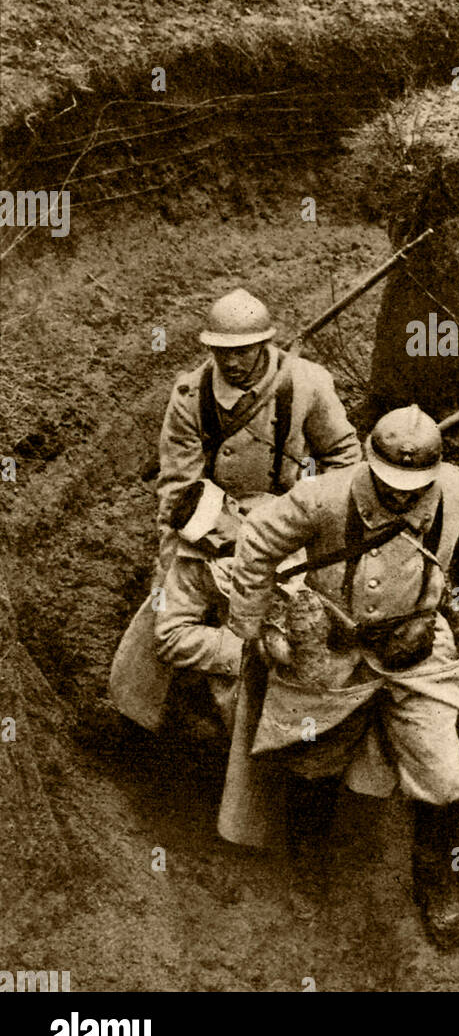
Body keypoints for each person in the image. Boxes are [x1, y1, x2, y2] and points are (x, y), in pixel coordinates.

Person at [220, 404, 459, 950]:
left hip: (418, 650)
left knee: (445, 776)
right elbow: (258, 539)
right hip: (336, 648)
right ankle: (309, 866)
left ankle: (439, 885)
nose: (401, 496)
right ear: (369, 466)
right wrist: (254, 624)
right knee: (314, 756)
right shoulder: (324, 497)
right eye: (388, 484)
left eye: (413, 487)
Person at [108, 288, 360, 733]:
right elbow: (177, 488)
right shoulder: (190, 396)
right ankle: (191, 707)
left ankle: (312, 722)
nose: (233, 362)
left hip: (289, 519)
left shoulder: (306, 384)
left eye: (243, 351)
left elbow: (344, 458)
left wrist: (314, 516)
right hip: (212, 524)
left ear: (264, 344)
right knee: (171, 620)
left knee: (322, 619)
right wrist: (178, 555)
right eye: (221, 352)